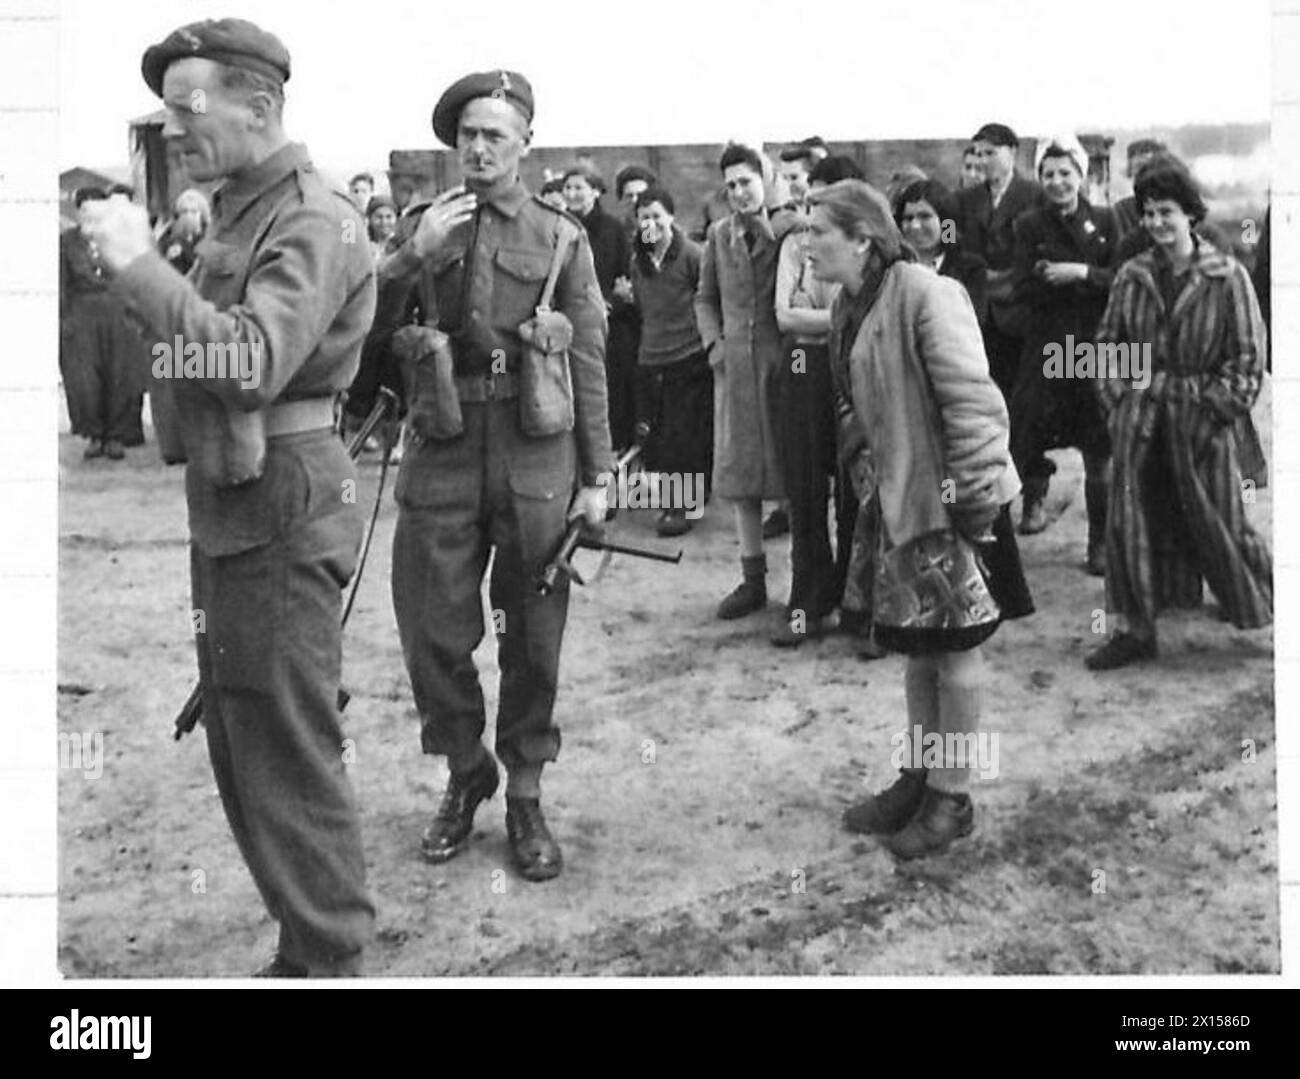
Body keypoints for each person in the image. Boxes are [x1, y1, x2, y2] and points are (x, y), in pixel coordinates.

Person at [82, 17, 377, 976]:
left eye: (187, 107)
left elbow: (248, 360)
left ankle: (328, 956)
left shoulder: (312, 214)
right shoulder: (238, 210)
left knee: (286, 748)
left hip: (284, 506)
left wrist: (139, 270)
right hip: (236, 501)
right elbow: (191, 358)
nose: (171, 128)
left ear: (258, 105)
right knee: (244, 740)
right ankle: (305, 940)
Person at [377, 70, 611, 881]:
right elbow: (357, 333)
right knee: (430, 627)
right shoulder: (418, 229)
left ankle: (526, 791)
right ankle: (466, 766)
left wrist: (599, 475)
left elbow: (586, 356)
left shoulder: (562, 236)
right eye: (467, 133)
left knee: (534, 631)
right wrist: (409, 261)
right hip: (441, 444)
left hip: (534, 448)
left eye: (495, 134)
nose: (478, 147)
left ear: (525, 145)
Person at [805, 179, 1031, 858]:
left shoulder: (928, 294)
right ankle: (921, 776)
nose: (808, 243)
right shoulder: (850, 302)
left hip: (952, 505)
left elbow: (973, 406)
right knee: (917, 649)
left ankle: (952, 796)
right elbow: (853, 401)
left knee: (957, 654)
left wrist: (975, 501)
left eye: (819, 231)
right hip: (897, 504)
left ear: (862, 239)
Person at [1086, 164, 1271, 670]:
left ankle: (1267, 610)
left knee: (1224, 523)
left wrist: (1213, 409)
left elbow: (1247, 360)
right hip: (1141, 422)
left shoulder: (1226, 276)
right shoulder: (1132, 276)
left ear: (1190, 214)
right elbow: (1107, 347)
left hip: (1201, 424)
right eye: (1147, 213)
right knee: (1131, 526)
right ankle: (1134, 630)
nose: (1156, 222)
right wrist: (1118, 402)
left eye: (1166, 212)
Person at [695, 142, 801, 620]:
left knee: (792, 469)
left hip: (783, 365)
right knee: (741, 475)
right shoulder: (719, 236)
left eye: (746, 182)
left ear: (766, 179)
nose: (739, 192)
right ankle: (752, 579)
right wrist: (715, 345)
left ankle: (805, 582)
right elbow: (704, 299)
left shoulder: (790, 229)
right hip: (734, 368)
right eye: (731, 185)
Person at [1008, 135, 1118, 575]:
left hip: (1096, 347)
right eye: (1048, 174)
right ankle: (1012, 527)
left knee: (1100, 447)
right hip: (1048, 348)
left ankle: (1100, 544)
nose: (1057, 182)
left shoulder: (1108, 220)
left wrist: (1081, 272)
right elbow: (1022, 287)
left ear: (1082, 175)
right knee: (1024, 436)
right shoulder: (1029, 226)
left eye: (1065, 173)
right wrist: (1047, 280)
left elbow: (1122, 277)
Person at [768, 155, 855, 646]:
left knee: (852, 490)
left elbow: (854, 312)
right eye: (811, 198)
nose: (815, 210)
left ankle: (856, 601)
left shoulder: (864, 249)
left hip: (848, 368)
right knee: (805, 491)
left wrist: (819, 314)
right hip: (801, 369)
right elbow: (784, 316)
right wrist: (825, 315)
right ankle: (807, 602)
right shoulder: (794, 246)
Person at [628, 186, 711, 536]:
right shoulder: (637, 262)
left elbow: (707, 300)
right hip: (651, 359)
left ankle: (684, 508)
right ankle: (675, 500)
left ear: (671, 218)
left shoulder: (693, 254)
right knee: (658, 438)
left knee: (686, 437)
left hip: (689, 358)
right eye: (644, 217)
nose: (651, 223)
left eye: (657, 216)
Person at [59, 187, 143, 460]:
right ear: (78, 211)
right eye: (84, 209)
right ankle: (94, 435)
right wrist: (63, 319)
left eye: (96, 208)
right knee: (85, 378)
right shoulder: (66, 242)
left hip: (119, 311)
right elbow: (61, 282)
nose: (90, 214)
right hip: (82, 314)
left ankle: (117, 436)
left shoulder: (120, 240)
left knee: (120, 373)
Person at [564, 164, 638, 452]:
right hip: (570, 328)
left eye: (579, 187)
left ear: (595, 191)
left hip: (611, 327)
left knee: (610, 395)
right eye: (568, 188)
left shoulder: (614, 230)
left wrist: (609, 303)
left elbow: (625, 280)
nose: (572, 194)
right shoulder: (560, 228)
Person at [893, 176, 987, 321]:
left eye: (925, 217)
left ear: (946, 222)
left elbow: (972, 320)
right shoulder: (893, 268)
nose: (915, 226)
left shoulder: (970, 268)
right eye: (908, 218)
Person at [1111, 138, 1166, 240]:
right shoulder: (1121, 210)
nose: (1143, 176)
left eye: (1149, 168)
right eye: (1138, 168)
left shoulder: (1178, 207)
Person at [158, 188, 210, 274]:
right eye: (185, 211)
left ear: (201, 215)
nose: (189, 216)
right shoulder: (169, 238)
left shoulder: (209, 236)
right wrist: (168, 257)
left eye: (194, 212)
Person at [365, 194, 398, 263]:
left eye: (388, 217)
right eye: (379, 217)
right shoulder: (364, 245)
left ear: (396, 218)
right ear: (370, 219)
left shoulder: (401, 245)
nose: (384, 222)